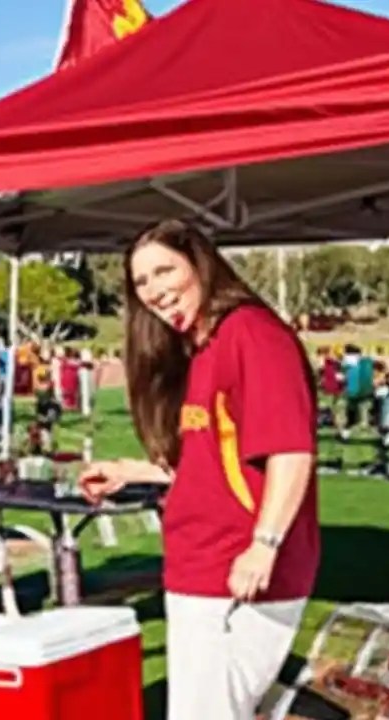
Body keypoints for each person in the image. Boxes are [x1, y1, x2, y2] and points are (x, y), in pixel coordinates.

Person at [80, 219, 319, 720]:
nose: (154, 291)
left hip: (238, 571)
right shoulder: (200, 347)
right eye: (142, 282)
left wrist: (264, 544)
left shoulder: (251, 334)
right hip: (195, 566)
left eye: (165, 271)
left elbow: (291, 451)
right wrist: (131, 470)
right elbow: (210, 462)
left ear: (199, 262)